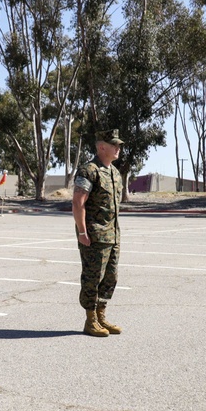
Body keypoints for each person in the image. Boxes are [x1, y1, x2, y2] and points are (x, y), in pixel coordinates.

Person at [72, 129, 125, 337]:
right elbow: (78, 203)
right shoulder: (88, 171)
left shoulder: (115, 173)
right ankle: (90, 319)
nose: (118, 148)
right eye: (114, 144)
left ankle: (101, 315)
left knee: (111, 277)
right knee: (92, 277)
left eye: (119, 145)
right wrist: (82, 231)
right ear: (102, 146)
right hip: (94, 235)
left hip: (113, 235)